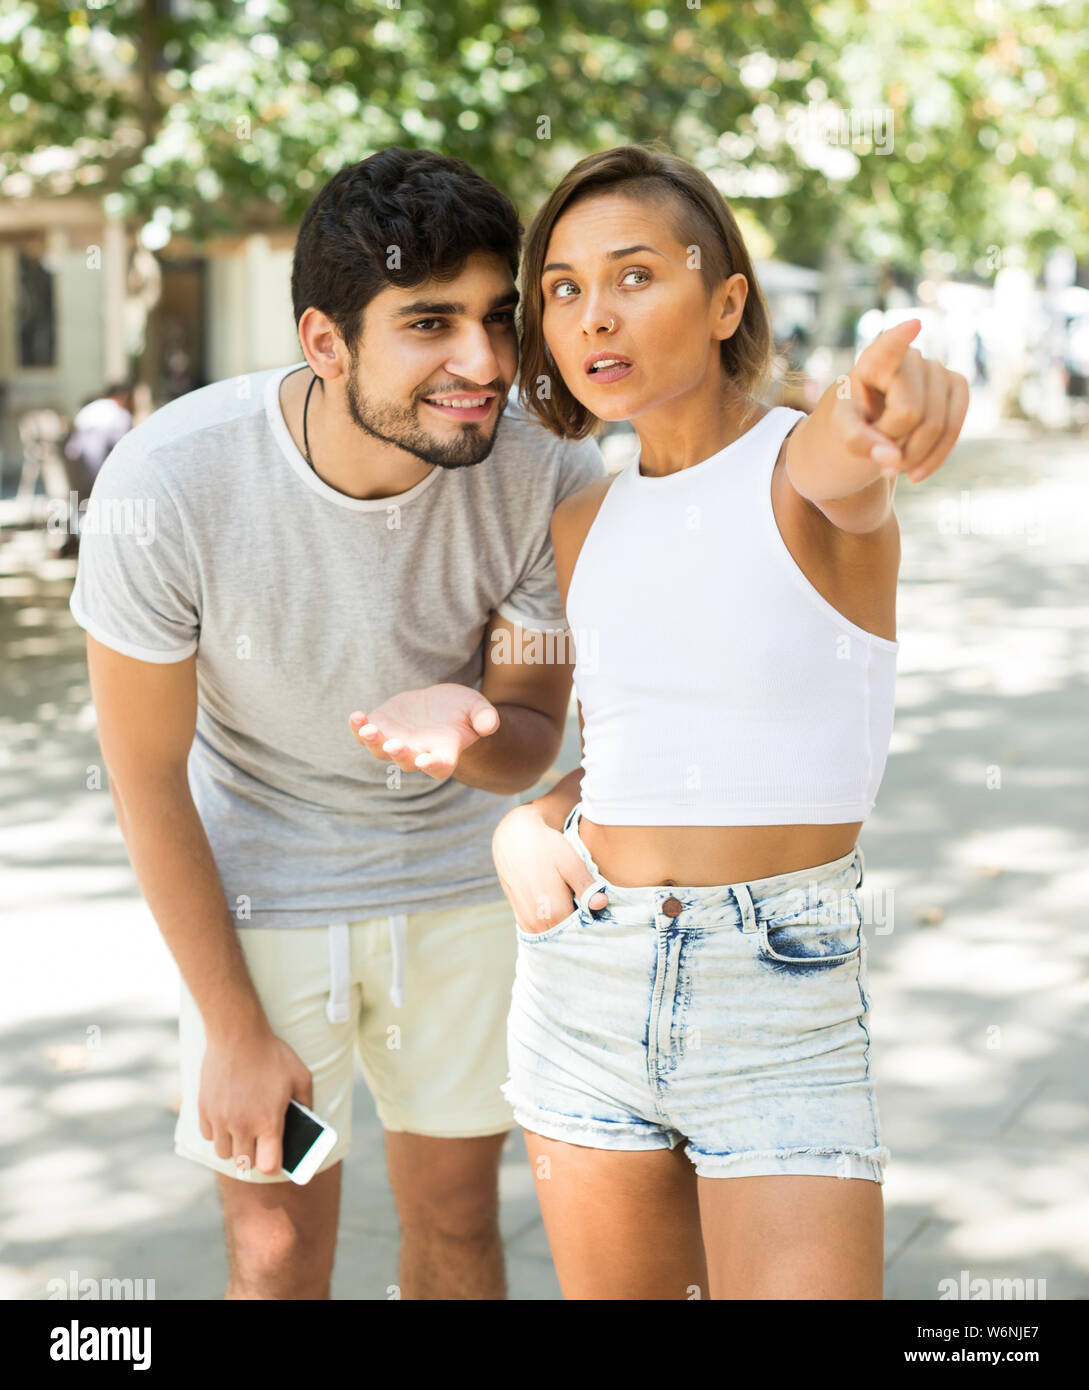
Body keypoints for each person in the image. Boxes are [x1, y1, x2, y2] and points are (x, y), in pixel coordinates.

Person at [68, 147, 606, 1300]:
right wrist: (230, 1024)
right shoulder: (167, 484)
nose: (484, 363)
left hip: (459, 903)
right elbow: (147, 775)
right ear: (325, 341)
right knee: (277, 1249)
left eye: (494, 317)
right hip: (260, 911)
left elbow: (529, 740)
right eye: (429, 324)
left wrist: (472, 730)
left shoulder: (548, 471)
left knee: (460, 1228)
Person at [490, 144, 970, 1300]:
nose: (595, 316)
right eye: (563, 288)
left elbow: (851, 450)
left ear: (726, 301)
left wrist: (886, 407)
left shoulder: (802, 475)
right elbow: (646, 747)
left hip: (777, 990)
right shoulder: (583, 523)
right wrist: (536, 814)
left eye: (635, 275)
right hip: (586, 984)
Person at [59, 383, 134, 557]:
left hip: (78, 473)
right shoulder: (119, 415)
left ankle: (82, 543)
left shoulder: (87, 411)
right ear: (122, 397)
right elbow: (125, 448)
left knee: (82, 508)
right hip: (101, 474)